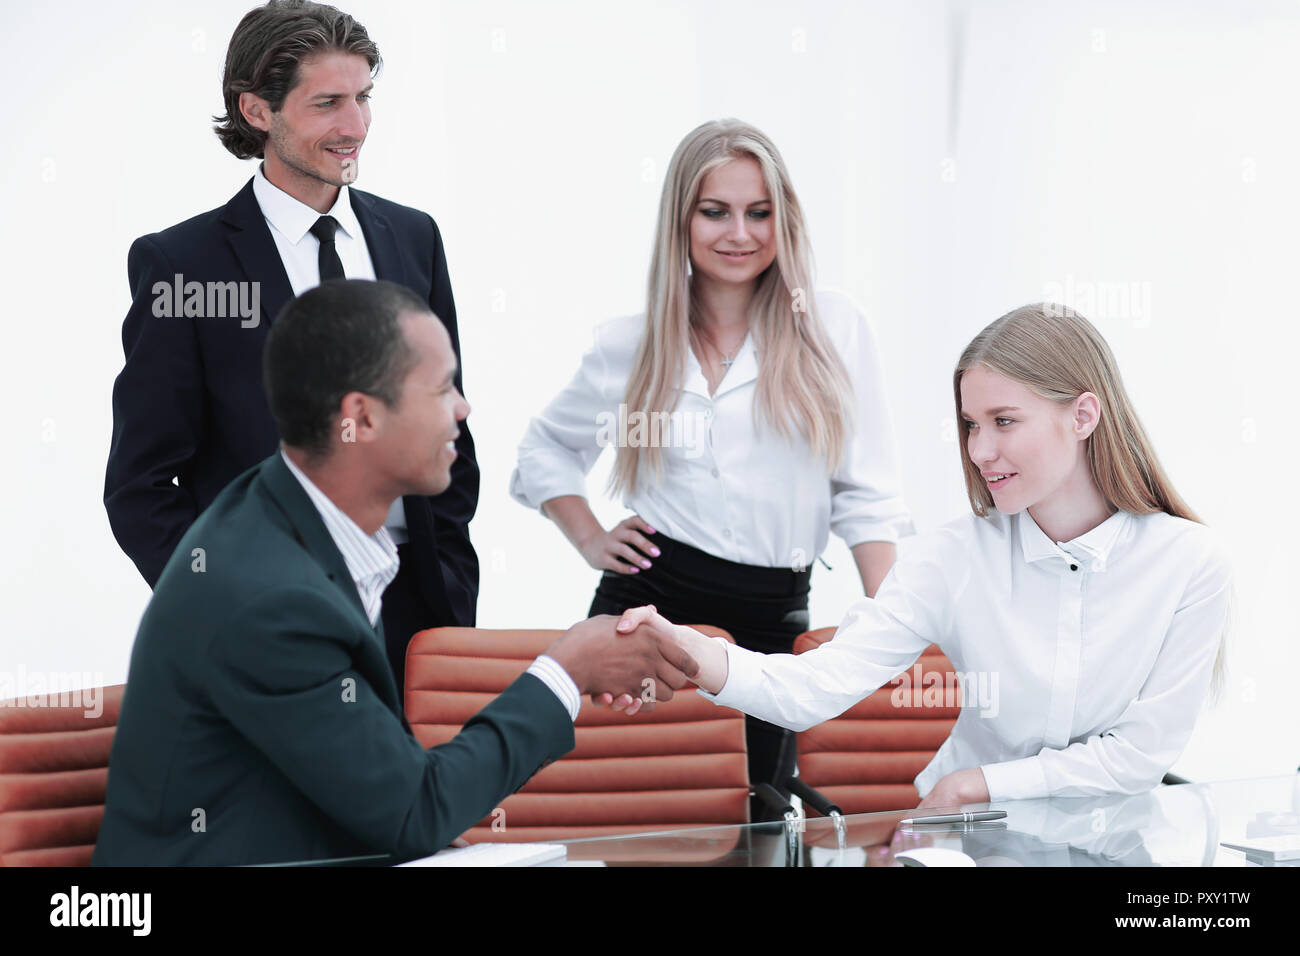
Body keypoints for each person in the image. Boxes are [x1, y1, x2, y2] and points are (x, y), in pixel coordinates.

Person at [91, 280, 698, 866]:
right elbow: (412, 810)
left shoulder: (288, 516)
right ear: (363, 417)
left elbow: (376, 793)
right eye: (442, 389)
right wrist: (568, 671)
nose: (464, 408)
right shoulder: (270, 601)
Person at [613, 303, 1232, 809]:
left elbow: (1141, 754)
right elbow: (814, 688)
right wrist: (698, 653)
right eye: (969, 425)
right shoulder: (952, 558)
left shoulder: (1190, 564)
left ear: (1083, 415)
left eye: (1004, 420)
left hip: (1113, 846)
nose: (980, 450)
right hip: (968, 838)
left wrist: (979, 783)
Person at [509, 119, 912, 813]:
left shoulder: (833, 328)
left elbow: (867, 497)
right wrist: (589, 537)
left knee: (759, 815)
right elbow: (543, 451)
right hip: (647, 603)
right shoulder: (630, 342)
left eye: (760, 213)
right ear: (682, 219)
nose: (740, 233)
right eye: (715, 211)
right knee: (625, 814)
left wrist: (891, 622)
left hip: (771, 618)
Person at [103, 0, 475, 695]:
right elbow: (141, 485)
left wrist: (448, 575)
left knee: (426, 803)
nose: (357, 126)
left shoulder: (412, 237)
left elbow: (450, 417)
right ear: (256, 111)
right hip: (264, 619)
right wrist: (219, 607)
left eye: (364, 97)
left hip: (419, 617)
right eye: (328, 102)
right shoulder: (185, 264)